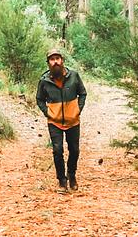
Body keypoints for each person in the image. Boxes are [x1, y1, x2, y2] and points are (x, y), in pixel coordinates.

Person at [35, 47, 86, 190]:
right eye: (52, 59)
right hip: (54, 122)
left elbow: (82, 94)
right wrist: (48, 113)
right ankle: (62, 181)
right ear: (48, 63)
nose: (55, 62)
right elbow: (39, 99)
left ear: (62, 60)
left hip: (73, 121)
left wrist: (77, 110)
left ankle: (72, 175)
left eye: (57, 58)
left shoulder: (74, 76)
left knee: (74, 150)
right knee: (57, 150)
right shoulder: (44, 81)